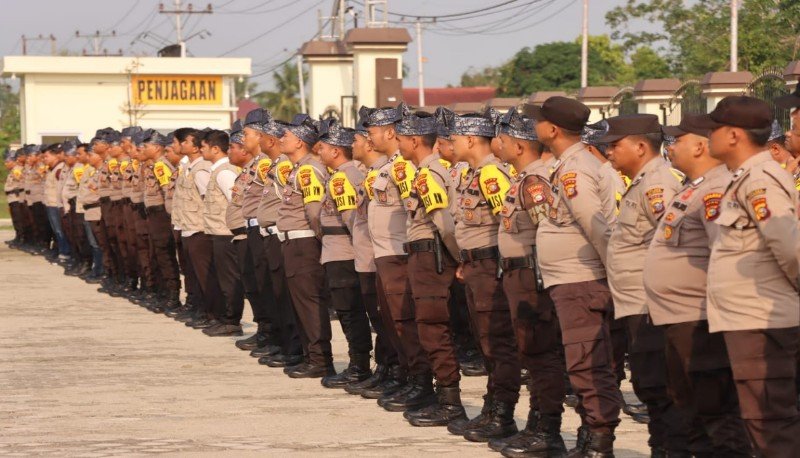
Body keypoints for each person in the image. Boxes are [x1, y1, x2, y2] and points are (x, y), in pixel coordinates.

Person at [642, 114, 752, 457]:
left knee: (714, 409)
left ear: (700, 146)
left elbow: (723, 253)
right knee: (688, 405)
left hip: (700, 318)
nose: (670, 147)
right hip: (679, 316)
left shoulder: (716, 191)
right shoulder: (695, 187)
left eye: (677, 140)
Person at [699, 95, 800, 458]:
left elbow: (789, 246)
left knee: (770, 421)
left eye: (715, 128)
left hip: (762, 320)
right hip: (748, 319)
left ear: (734, 135)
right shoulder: (744, 177)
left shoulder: (759, 179)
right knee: (759, 420)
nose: (708, 136)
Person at [526, 96, 624, 456]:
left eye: (538, 121)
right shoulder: (566, 164)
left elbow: (596, 226)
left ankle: (599, 441)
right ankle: (590, 433)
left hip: (581, 281)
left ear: (552, 129)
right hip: (569, 281)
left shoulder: (574, 170)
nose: (534, 126)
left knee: (588, 363)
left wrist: (613, 275)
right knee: (582, 362)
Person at [602, 114, 690, 456]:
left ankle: (671, 449)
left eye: (615, 145)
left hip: (651, 303)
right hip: (637, 302)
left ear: (640, 146)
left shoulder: (658, 184)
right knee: (650, 383)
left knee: (658, 385)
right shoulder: (641, 181)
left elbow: (668, 242)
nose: (609, 152)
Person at [488, 107, 568, 457]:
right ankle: (535, 424)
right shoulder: (521, 179)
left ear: (518, 146)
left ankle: (547, 428)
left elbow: (546, 232)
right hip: (517, 274)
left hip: (531, 275)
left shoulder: (535, 183)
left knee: (541, 353)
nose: (497, 146)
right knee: (530, 353)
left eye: (503, 140)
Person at [450, 110, 521, 443]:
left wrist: (501, 265)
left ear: (470, 140)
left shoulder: (491, 173)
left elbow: (507, 221)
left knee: (498, 343)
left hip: (492, 266)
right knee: (486, 342)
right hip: (476, 266)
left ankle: (502, 414)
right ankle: (492, 407)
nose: (450, 143)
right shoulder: (470, 172)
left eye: (454, 138)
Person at [393, 104, 465, 427]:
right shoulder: (426, 172)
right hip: (422, 256)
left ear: (414, 142)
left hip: (432, 257)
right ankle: (439, 394)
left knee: (434, 328)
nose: (398, 144)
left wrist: (459, 259)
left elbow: (445, 225)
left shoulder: (428, 175)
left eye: (402, 138)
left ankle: (450, 403)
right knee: (424, 326)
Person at [364, 105, 432, 410]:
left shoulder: (402, 168)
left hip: (398, 254)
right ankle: (406, 376)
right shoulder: (385, 165)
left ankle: (420, 382)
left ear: (390, 132)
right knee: (392, 322)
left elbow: (413, 209)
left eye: (373, 131)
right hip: (383, 254)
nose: (369, 137)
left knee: (405, 322)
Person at [344, 116, 402, 395]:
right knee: (381, 318)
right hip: (371, 255)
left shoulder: (396, 169)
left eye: (365, 136)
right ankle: (386, 368)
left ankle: (397, 371)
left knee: (390, 319)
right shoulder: (375, 173)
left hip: (389, 255)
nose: (359, 142)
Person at [316, 118, 375, 389]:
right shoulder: (346, 174)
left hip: (343, 253)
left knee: (350, 312)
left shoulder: (342, 177)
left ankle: (358, 366)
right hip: (343, 252)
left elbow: (352, 219)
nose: (319, 152)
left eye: (324, 148)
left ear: (336, 151)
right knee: (351, 312)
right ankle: (359, 363)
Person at [276, 114, 335, 379]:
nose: (281, 139)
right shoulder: (300, 168)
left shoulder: (309, 169)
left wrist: (318, 240)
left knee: (310, 302)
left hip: (304, 242)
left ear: (300, 142)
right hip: (294, 242)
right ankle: (311, 356)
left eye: (286, 136)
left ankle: (321, 360)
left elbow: (314, 212)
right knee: (300, 302)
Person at [200, 129, 245, 336]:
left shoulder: (225, 172)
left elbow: (236, 203)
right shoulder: (216, 171)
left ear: (216, 149)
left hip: (226, 233)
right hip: (218, 232)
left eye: (203, 146)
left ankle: (232, 320)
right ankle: (223, 318)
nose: (201, 150)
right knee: (220, 279)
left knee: (229, 280)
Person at [142, 131, 182, 312]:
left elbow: (168, 191)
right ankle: (163, 293)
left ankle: (172, 295)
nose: (143, 149)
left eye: (146, 146)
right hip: (154, 215)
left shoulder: (161, 166)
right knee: (158, 255)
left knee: (165, 255)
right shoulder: (155, 165)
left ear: (157, 147)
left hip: (161, 216)